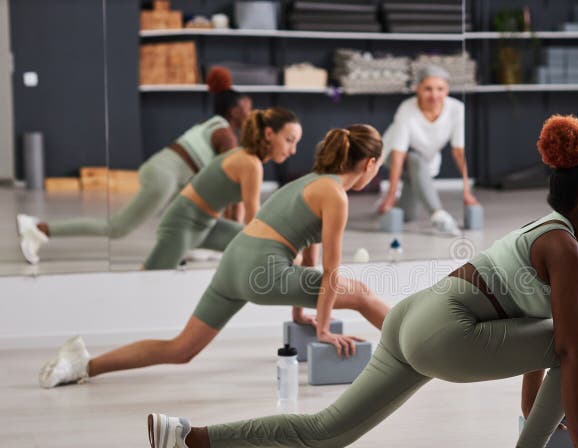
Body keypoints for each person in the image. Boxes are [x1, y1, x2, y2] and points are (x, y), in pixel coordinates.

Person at [144, 115, 578, 448]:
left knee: (327, 431)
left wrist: (537, 423)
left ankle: (189, 440)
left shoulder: (542, 230)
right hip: (447, 332)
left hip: (411, 319)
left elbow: (538, 338)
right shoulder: (565, 250)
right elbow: (569, 350)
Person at [38, 124, 390, 390]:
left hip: (235, 263)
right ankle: (421, 347)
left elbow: (308, 251)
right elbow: (330, 273)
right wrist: (325, 329)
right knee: (361, 295)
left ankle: (83, 365)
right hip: (262, 270)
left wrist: (303, 313)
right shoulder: (336, 195)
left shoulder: (313, 181)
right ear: (370, 164)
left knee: (181, 348)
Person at [17, 67, 252, 264]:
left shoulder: (215, 125)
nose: (250, 115)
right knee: (118, 227)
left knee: (185, 217)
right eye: (247, 109)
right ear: (234, 112)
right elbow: (232, 187)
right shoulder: (226, 137)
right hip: (165, 177)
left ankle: (181, 250)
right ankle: (39, 229)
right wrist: (238, 232)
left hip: (164, 170)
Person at [142, 107, 300, 270]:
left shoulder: (247, 158)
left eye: (296, 143)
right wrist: (275, 248)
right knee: (149, 276)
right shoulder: (250, 164)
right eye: (289, 140)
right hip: (183, 224)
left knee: (277, 251)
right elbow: (254, 217)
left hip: (208, 226)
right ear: (268, 134)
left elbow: (242, 213)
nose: (293, 151)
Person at [376, 65, 479, 236]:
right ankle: (438, 215)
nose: (434, 95)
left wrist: (467, 192)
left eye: (440, 89)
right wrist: (391, 194)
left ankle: (404, 197)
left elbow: (459, 152)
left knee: (408, 216)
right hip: (391, 156)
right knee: (415, 159)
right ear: (417, 88)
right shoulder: (406, 109)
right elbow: (399, 153)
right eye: (428, 89)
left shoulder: (457, 109)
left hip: (424, 163)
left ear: (447, 90)